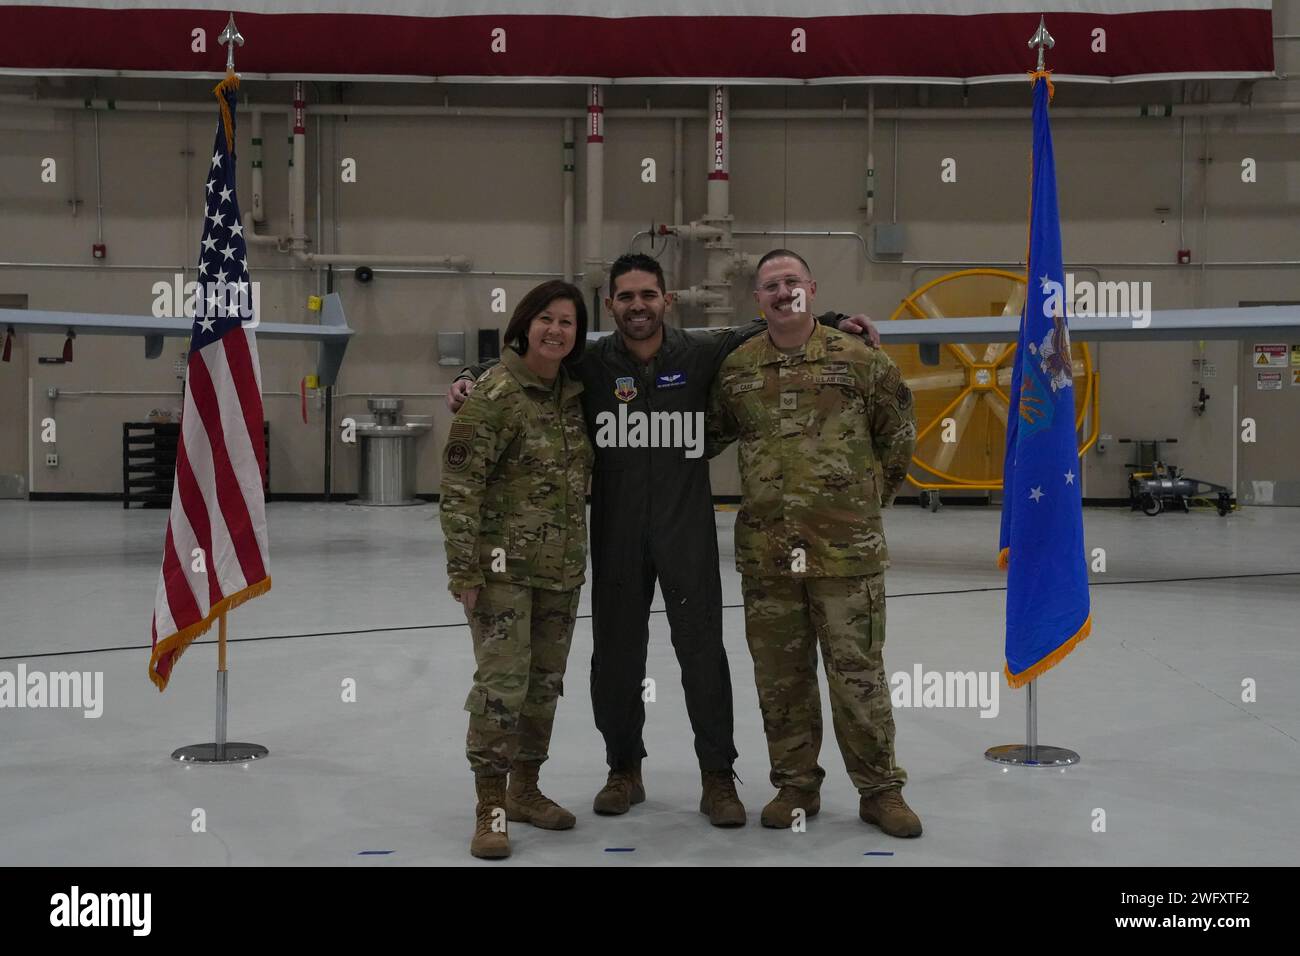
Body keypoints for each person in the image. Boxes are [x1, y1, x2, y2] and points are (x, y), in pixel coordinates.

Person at [447, 252, 879, 827]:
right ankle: (623, 770)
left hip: (686, 532)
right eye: (625, 297)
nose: (638, 306)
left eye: (648, 295)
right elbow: (527, 361)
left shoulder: (701, 352)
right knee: (617, 660)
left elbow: (771, 320)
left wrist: (838, 315)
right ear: (611, 307)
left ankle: (718, 778)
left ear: (666, 301)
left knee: (702, 656)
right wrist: (473, 375)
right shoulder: (591, 364)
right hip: (616, 534)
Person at [706, 249, 922, 837]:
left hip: (846, 553)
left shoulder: (860, 359)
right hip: (768, 555)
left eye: (791, 282)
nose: (782, 293)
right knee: (783, 678)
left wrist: (866, 500)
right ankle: (796, 787)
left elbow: (898, 434)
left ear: (812, 288)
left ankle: (881, 791)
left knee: (859, 675)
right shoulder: (738, 370)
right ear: (758, 300)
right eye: (770, 285)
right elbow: (708, 436)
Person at [439, 280, 593, 859]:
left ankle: (526, 789)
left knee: (544, 687)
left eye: (568, 323)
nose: (556, 331)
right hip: (502, 572)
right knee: (501, 688)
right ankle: (491, 807)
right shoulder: (495, 394)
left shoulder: (574, 396)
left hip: (562, 571)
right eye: (546, 319)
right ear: (525, 325)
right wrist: (465, 574)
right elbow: (459, 489)